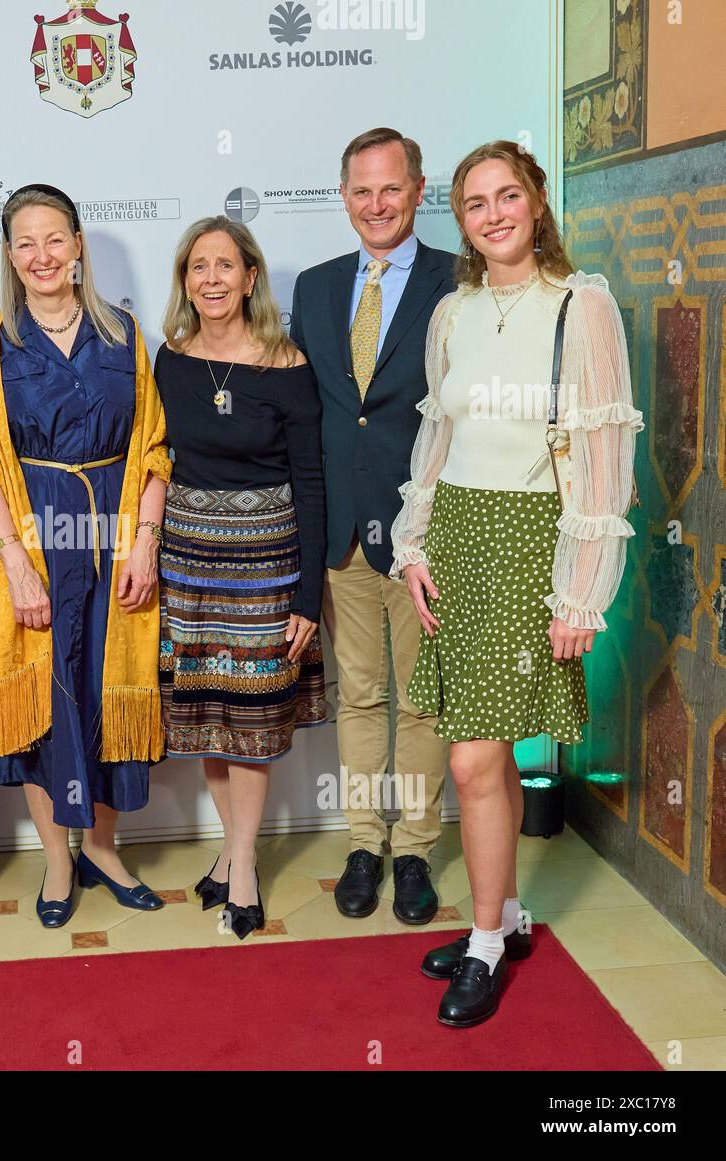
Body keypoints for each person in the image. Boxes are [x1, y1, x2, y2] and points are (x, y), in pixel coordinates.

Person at [392, 141, 641, 1026]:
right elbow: (438, 439)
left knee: (472, 758)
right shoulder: (453, 311)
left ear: (536, 202)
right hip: (458, 534)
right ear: (459, 220)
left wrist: (583, 592)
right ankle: (503, 918)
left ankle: (488, 941)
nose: (493, 213)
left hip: (531, 540)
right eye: (474, 203)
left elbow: (607, 460)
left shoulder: (584, 306)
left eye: (507, 195)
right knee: (477, 750)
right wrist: (414, 543)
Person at [0, 183, 170, 928]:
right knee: (44, 702)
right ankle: (55, 858)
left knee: (110, 694)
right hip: (34, 533)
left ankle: (103, 849)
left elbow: (152, 448)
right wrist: (13, 558)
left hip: (114, 536)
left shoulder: (125, 336)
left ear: (79, 244)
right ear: (10, 256)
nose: (42, 256)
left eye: (55, 239)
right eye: (25, 243)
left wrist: (145, 541)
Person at [288, 127, 458, 925]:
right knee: (359, 696)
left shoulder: (459, 283)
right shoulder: (316, 289)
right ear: (344, 196)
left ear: (419, 190)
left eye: (391, 189)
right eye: (362, 190)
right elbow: (323, 415)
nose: (376, 204)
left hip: (425, 535)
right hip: (343, 537)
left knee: (421, 702)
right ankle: (364, 842)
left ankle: (418, 849)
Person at [156, 217, 328, 939]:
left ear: (251, 277)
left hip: (266, 565)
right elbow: (160, 459)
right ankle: (230, 855)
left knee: (252, 722)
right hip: (189, 564)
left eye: (226, 265)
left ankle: (245, 866)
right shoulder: (169, 359)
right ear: (185, 280)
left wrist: (307, 595)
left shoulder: (285, 365)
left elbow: (312, 481)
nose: (213, 279)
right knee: (209, 718)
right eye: (200, 266)